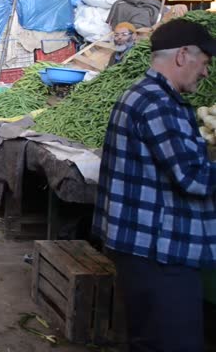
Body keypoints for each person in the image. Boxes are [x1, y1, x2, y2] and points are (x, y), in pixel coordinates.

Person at [92, 19, 216, 352]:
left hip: (146, 245)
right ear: (183, 56)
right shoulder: (159, 103)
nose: (205, 73)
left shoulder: (143, 94)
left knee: (150, 339)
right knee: (172, 342)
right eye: (204, 63)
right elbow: (194, 177)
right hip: (159, 251)